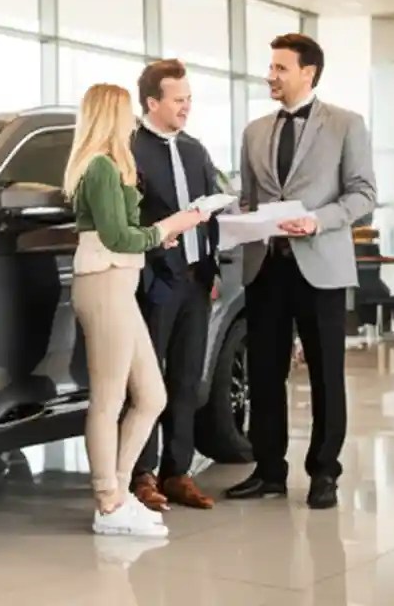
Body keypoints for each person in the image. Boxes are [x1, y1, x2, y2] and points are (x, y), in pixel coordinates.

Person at [224, 33, 376, 510]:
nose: (270, 75)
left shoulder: (346, 125)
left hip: (321, 267)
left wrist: (317, 220)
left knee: (327, 376)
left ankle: (324, 473)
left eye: (280, 68)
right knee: (265, 374)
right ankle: (269, 470)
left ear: (307, 72)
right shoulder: (254, 131)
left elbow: (363, 196)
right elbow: (250, 200)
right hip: (266, 268)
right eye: (270, 67)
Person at [63, 83, 208, 535]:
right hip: (105, 283)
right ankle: (109, 501)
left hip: (118, 284)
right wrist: (172, 225)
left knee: (152, 396)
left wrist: (154, 237)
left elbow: (126, 235)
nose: (131, 123)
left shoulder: (109, 166)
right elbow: (119, 237)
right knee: (109, 400)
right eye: (125, 113)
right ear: (111, 116)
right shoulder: (101, 167)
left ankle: (120, 492)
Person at [126, 59, 223, 512]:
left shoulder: (195, 150)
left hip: (196, 281)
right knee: (146, 383)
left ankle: (177, 471)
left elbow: (209, 211)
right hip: (153, 282)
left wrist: (212, 269)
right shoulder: (129, 148)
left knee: (186, 377)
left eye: (189, 99)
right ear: (152, 102)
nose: (187, 106)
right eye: (178, 99)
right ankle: (140, 475)